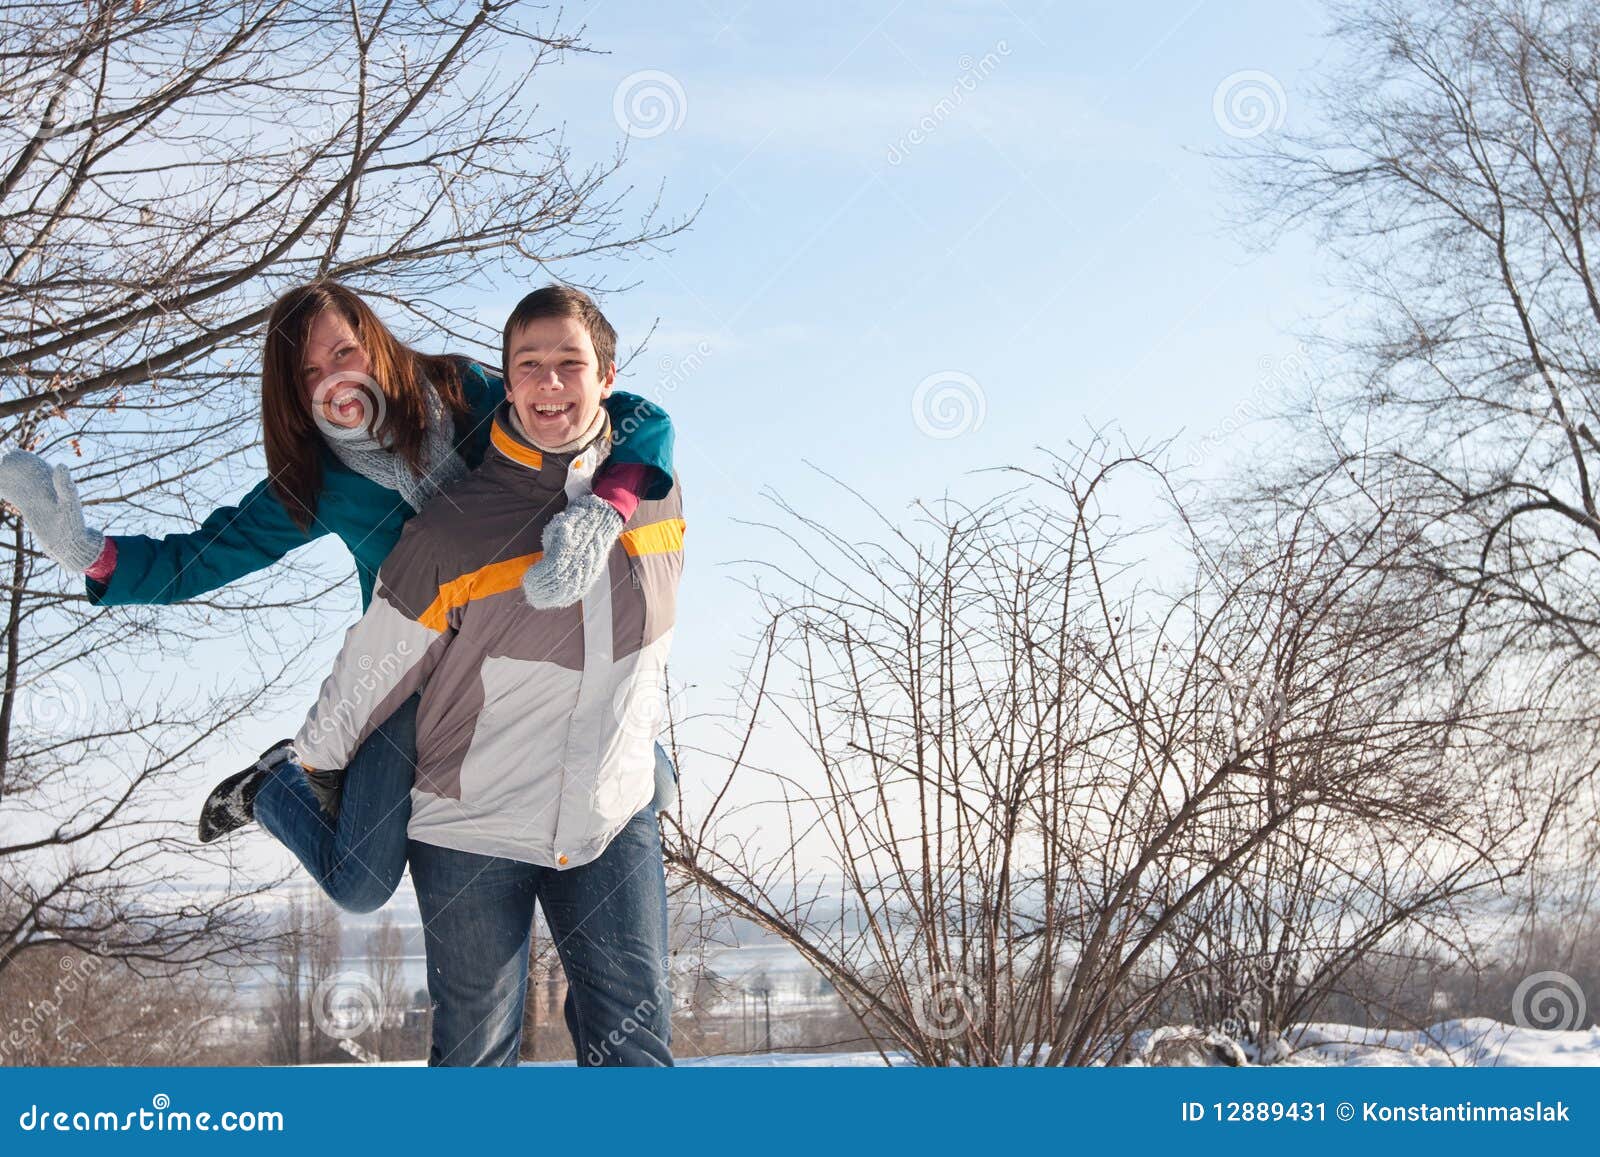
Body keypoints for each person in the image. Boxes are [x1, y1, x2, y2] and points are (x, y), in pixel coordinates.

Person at [0, 282, 679, 914]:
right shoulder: (317, 481)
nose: (334, 378)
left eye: (343, 352)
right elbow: (198, 559)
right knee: (360, 883)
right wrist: (88, 550)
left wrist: (608, 505)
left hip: (524, 658)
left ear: (374, 343)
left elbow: (637, 415)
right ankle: (272, 787)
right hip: (414, 680)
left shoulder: (467, 392)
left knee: (652, 785)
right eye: (309, 374)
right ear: (294, 394)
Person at [292, 284, 681, 1065]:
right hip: (475, 828)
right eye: (528, 365)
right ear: (504, 383)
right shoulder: (452, 527)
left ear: (607, 377)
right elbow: (370, 671)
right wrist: (316, 764)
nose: (549, 383)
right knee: (477, 1058)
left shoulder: (657, 501)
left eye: (570, 363)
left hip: (610, 814)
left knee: (637, 1054)